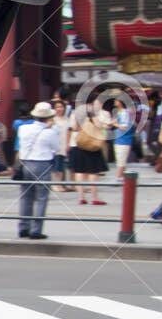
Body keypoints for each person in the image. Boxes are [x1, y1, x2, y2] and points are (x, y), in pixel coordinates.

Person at [16, 100, 59, 240]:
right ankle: (36, 230)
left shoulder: (23, 128)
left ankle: (23, 227)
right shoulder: (51, 132)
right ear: (48, 117)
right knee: (41, 198)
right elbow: (56, 148)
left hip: (25, 163)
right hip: (42, 164)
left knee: (25, 197)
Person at [68, 99, 109, 204]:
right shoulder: (92, 113)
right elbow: (100, 126)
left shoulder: (75, 113)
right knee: (93, 172)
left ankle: (81, 197)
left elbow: (73, 127)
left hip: (78, 143)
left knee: (79, 171)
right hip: (92, 145)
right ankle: (94, 198)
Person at [51, 97, 74, 191]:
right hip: (54, 146)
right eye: (57, 107)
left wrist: (68, 143)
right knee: (55, 165)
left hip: (63, 145)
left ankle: (60, 184)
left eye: (61, 107)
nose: (59, 109)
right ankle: (55, 184)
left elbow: (69, 132)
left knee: (61, 165)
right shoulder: (52, 119)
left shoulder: (66, 119)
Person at [112, 97, 135, 171]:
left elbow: (124, 127)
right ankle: (122, 180)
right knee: (122, 163)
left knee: (120, 164)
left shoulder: (124, 113)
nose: (114, 101)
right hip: (120, 140)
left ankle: (118, 179)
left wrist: (115, 124)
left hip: (123, 141)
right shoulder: (120, 112)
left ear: (121, 102)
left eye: (116, 100)